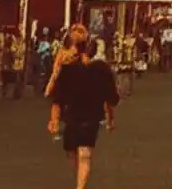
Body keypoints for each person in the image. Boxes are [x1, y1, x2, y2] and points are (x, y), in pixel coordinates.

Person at [47, 25, 120, 189]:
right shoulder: (102, 70)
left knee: (79, 153)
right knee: (81, 153)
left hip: (74, 116)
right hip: (90, 116)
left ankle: (80, 185)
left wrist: (55, 120)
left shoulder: (69, 70)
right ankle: (80, 182)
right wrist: (110, 119)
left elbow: (58, 99)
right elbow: (111, 98)